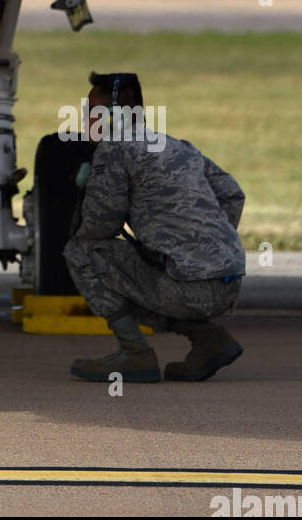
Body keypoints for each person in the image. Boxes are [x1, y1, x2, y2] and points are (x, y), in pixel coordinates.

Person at [64, 70, 245, 383]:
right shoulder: (179, 146)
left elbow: (100, 227)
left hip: (189, 287)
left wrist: (88, 188)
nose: (86, 120)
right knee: (146, 271)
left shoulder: (116, 149)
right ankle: (208, 340)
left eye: (93, 112)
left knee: (81, 252)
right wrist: (206, 250)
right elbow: (231, 193)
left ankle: (134, 352)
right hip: (228, 283)